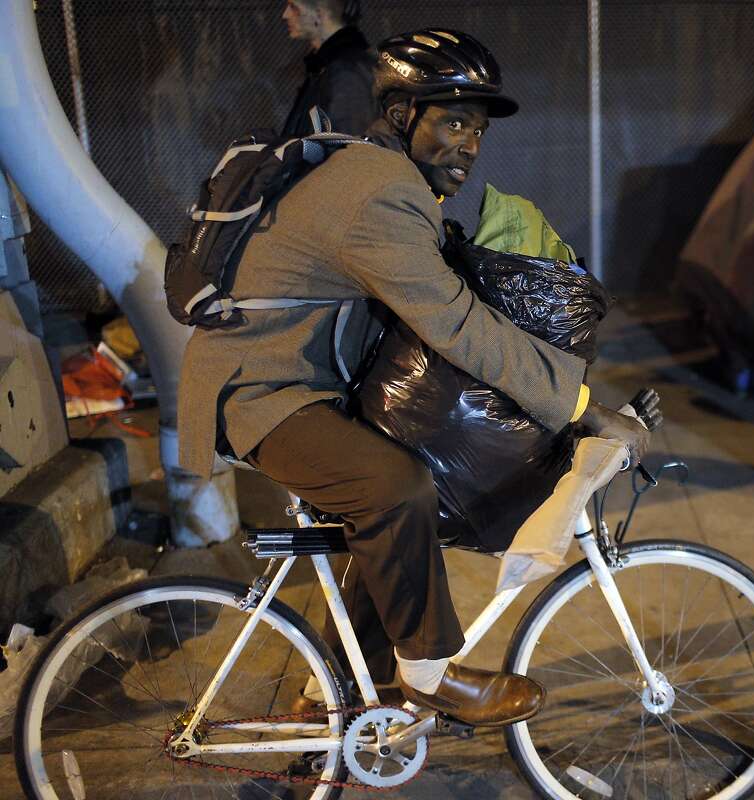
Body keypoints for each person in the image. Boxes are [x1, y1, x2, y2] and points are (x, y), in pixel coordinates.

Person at [177, 29, 650, 727]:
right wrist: (582, 407)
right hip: (263, 390)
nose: (470, 145)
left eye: (478, 130)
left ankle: (334, 694)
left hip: (295, 376)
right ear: (402, 115)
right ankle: (430, 675)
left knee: (396, 506)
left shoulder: (384, 179)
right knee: (397, 488)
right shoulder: (381, 195)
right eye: (454, 122)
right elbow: (456, 323)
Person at [279, 0, 375, 137]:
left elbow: (347, 141)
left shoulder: (346, 72)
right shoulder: (323, 66)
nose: (285, 14)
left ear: (319, 15)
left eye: (294, 7)